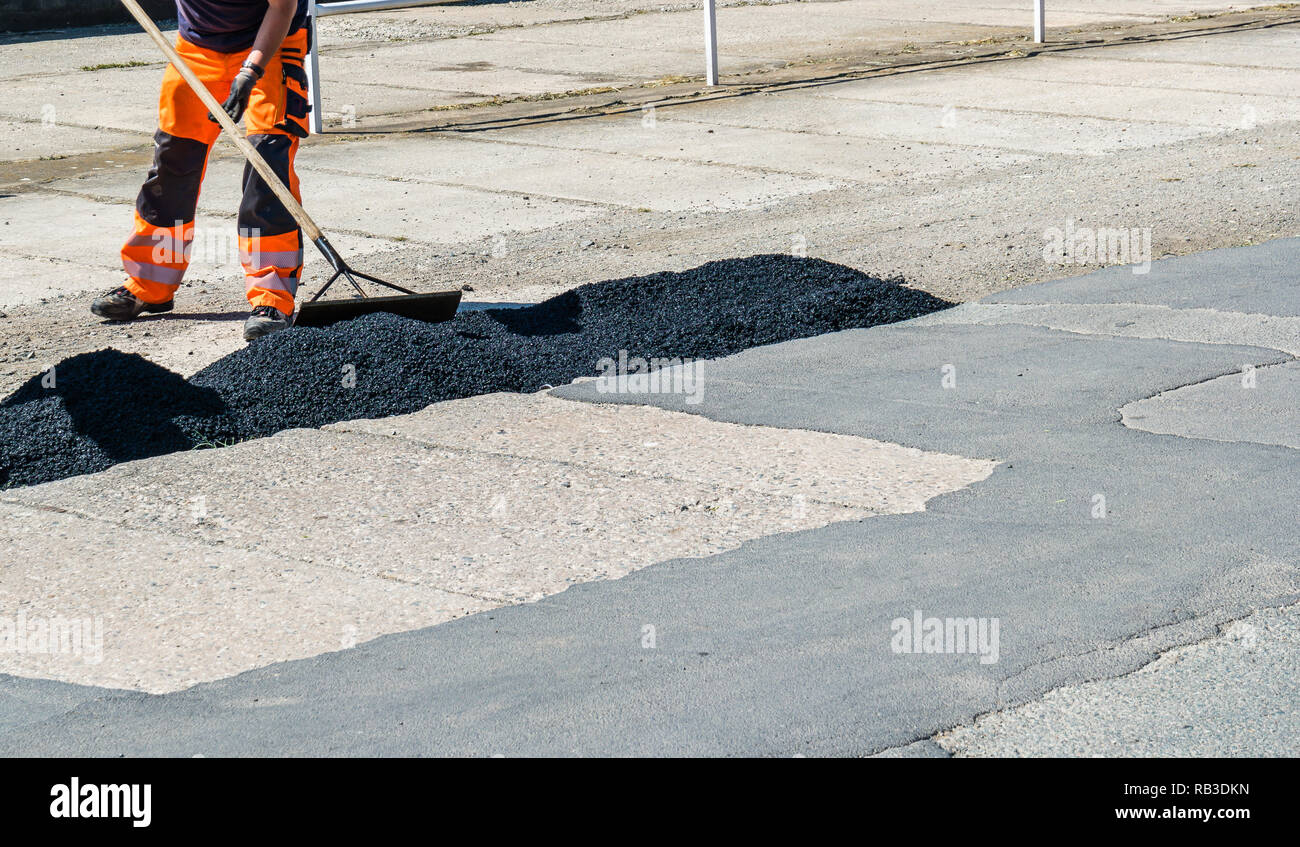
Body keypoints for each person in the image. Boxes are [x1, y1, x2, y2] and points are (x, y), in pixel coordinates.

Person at [91, 0, 312, 341]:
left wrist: (250, 72)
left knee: (267, 167)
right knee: (172, 164)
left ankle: (272, 295)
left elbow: (281, 8)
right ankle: (150, 283)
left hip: (271, 45)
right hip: (196, 50)